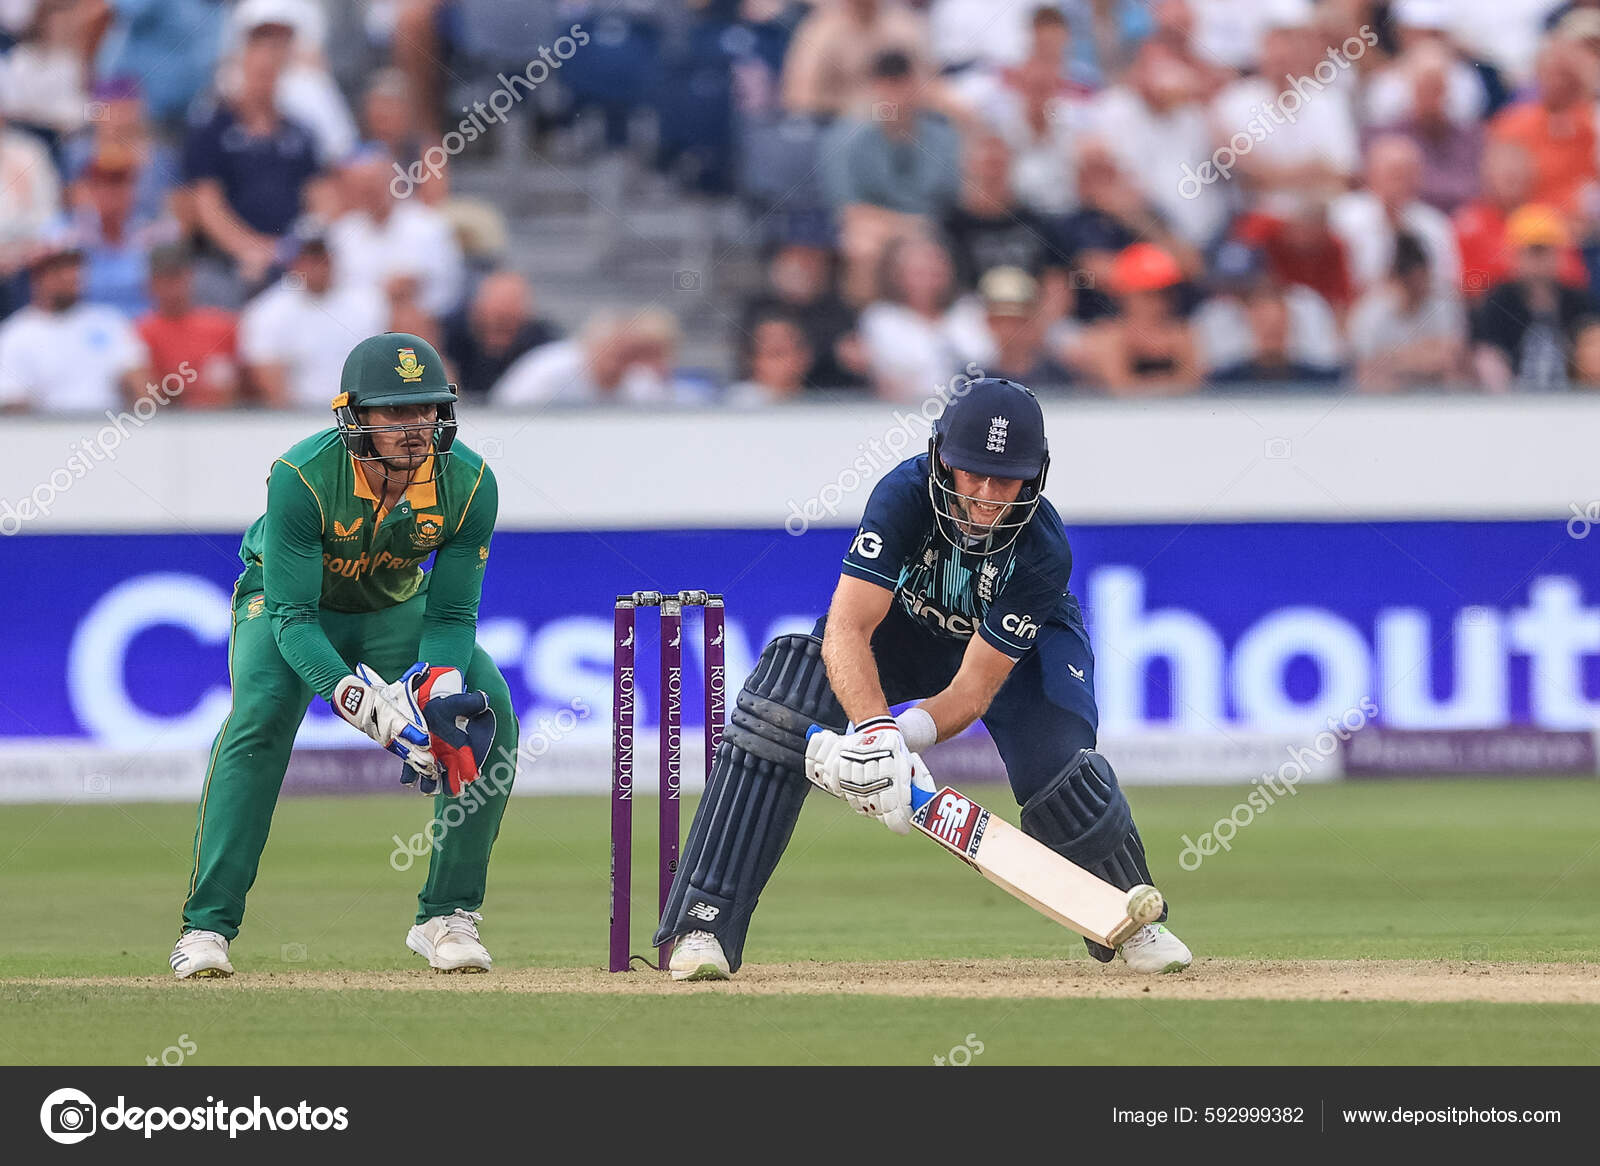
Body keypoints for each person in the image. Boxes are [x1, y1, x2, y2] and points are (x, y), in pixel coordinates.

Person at [655, 378, 1192, 981]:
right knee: (783, 702)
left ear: (1036, 476)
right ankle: (704, 928)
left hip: (1017, 651)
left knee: (1063, 768)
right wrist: (874, 731)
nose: (988, 494)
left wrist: (898, 743)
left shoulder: (1044, 549)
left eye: (1006, 478)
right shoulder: (903, 496)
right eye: (971, 473)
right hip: (900, 632)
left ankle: (1130, 920)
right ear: (941, 459)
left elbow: (973, 689)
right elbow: (848, 627)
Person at [169, 332, 517, 978]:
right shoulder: (301, 476)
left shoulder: (469, 484)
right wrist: (366, 707)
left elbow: (451, 614)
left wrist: (436, 689)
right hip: (287, 605)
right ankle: (207, 927)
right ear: (355, 417)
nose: (416, 429)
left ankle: (446, 915)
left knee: (486, 706)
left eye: (427, 410)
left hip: (393, 609)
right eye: (396, 412)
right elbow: (295, 618)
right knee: (261, 717)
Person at [237, 220, 386, 407]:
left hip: (363, 413)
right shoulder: (267, 312)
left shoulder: (370, 301)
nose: (316, 265)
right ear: (292, 263)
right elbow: (272, 386)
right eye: (306, 258)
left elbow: (385, 365)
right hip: (300, 417)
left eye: (321, 256)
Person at [0, 233, 151, 413]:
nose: (70, 276)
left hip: (113, 429)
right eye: (58, 269)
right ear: (37, 278)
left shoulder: (109, 321)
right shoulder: (16, 334)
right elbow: (12, 405)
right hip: (47, 433)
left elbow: (138, 381)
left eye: (74, 267)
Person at [1471, 204, 1597, 390]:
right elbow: (1488, 354)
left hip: (1571, 399)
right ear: (1514, 255)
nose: (1539, 262)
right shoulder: (1499, 300)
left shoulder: (1578, 301)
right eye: (1532, 252)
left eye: (1545, 251)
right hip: (1514, 401)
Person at [136, 243, 240, 408]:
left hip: (222, 418)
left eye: (176, 277)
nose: (171, 287)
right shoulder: (141, 332)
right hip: (170, 420)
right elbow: (148, 394)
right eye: (163, 278)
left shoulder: (222, 325)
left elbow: (245, 383)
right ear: (151, 283)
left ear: (189, 277)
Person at [442, 271, 559, 400]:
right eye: (494, 316)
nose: (499, 324)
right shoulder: (450, 337)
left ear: (526, 314)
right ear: (477, 310)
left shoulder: (544, 346)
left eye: (508, 318)